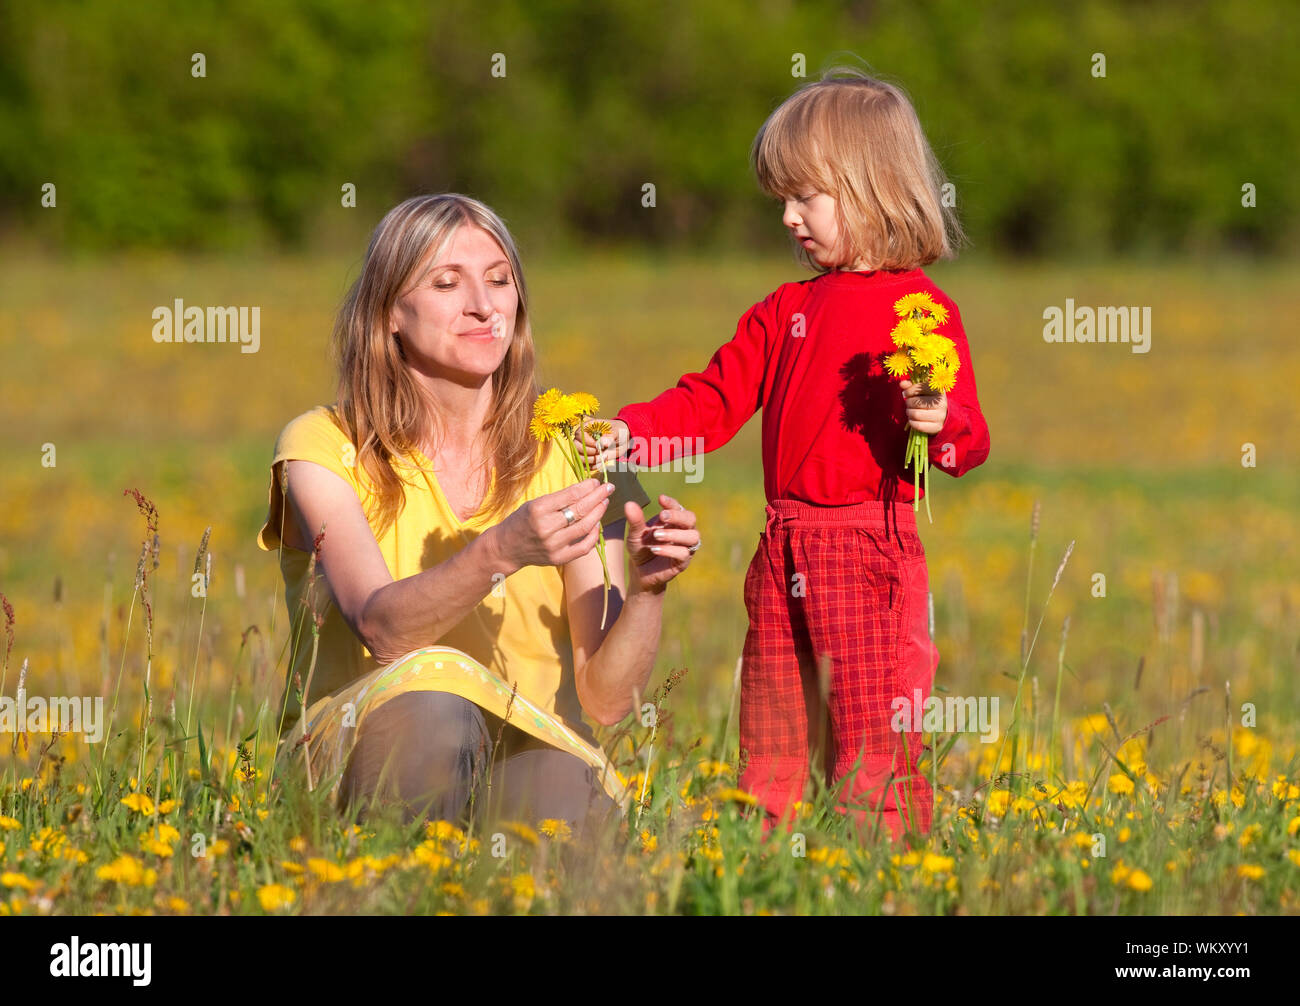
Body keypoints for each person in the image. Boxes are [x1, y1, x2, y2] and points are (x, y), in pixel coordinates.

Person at [580, 68, 990, 843]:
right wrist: (634, 432)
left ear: (873, 188)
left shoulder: (922, 311)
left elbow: (970, 441)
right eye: (783, 203)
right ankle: (767, 865)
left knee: (874, 742)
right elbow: (709, 403)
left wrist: (938, 422)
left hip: (872, 546)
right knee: (773, 736)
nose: (791, 219)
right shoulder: (783, 311)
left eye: (808, 197)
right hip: (784, 548)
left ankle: (884, 872)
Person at [256, 193, 700, 841]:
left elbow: (605, 699)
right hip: (368, 744)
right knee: (435, 710)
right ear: (387, 317)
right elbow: (383, 630)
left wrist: (650, 590)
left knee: (567, 807)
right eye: (446, 283)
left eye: (499, 281)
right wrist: (501, 551)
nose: (484, 306)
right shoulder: (323, 446)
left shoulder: (578, 450)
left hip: (526, 741)